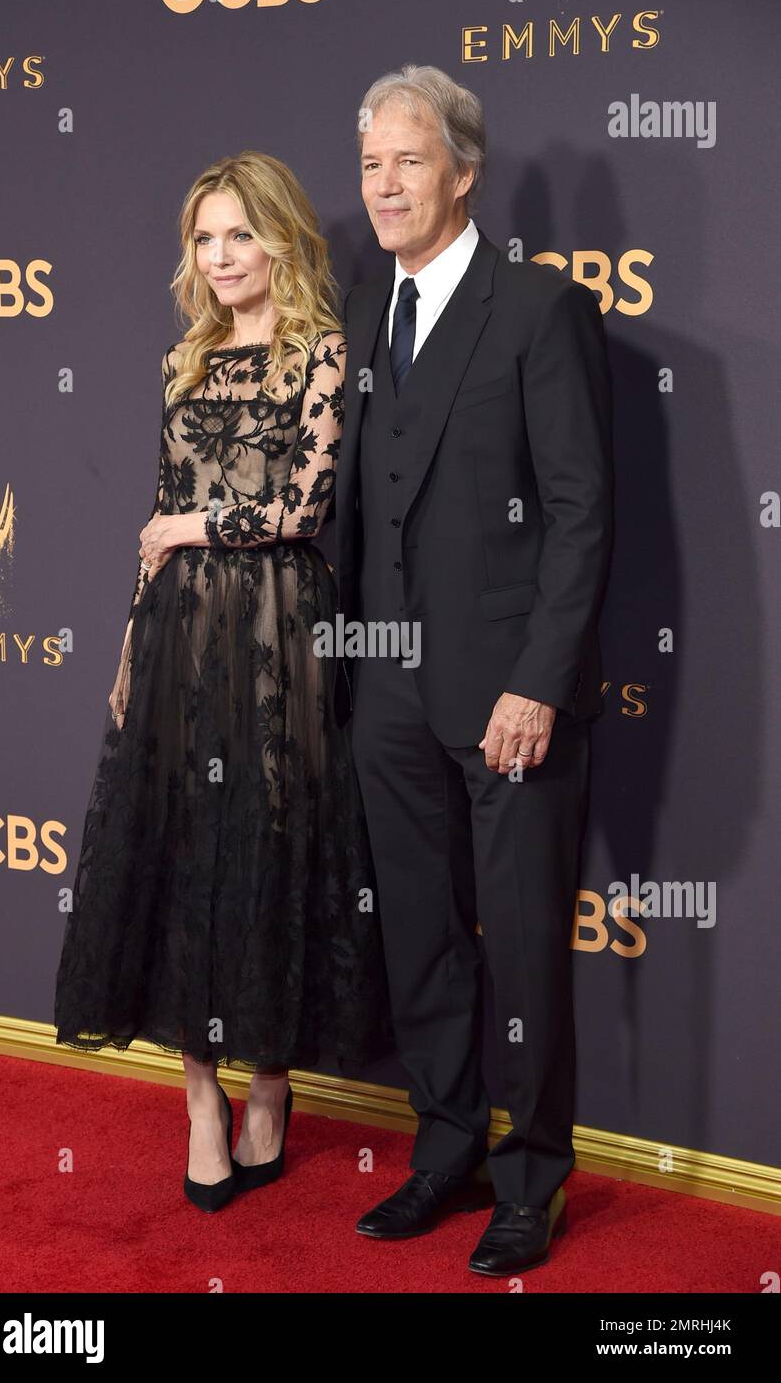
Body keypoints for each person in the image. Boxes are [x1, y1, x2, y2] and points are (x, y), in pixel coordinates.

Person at [54, 151, 393, 1214]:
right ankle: (201, 1101)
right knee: (179, 849)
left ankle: (269, 1084)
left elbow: (304, 507)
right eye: (204, 239)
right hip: (176, 635)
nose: (220, 257)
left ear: (282, 239)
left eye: (239, 234)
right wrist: (124, 647)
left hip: (279, 633)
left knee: (271, 846)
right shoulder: (184, 360)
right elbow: (155, 524)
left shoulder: (320, 355)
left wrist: (191, 526)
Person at [335, 66, 614, 1275]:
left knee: (524, 944)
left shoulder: (538, 309)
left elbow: (582, 512)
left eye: (407, 162)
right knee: (422, 938)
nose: (385, 186)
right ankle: (443, 1146)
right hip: (385, 687)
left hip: (509, 694)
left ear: (462, 171)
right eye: (370, 167)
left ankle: (531, 1178)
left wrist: (541, 680)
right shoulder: (360, 311)